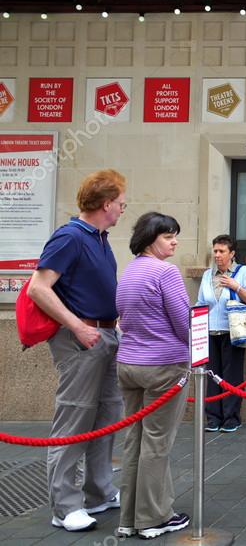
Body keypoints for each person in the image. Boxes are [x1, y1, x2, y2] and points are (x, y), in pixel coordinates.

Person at [29, 169, 126, 533]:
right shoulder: (70, 237)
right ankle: (65, 505)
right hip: (81, 340)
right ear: (105, 204)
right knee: (75, 419)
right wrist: (78, 326)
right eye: (120, 204)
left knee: (107, 415)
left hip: (103, 336)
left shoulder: (98, 237)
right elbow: (39, 288)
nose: (121, 210)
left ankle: (99, 491)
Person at [114, 212, 191, 539]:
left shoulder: (129, 271)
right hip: (163, 366)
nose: (174, 241)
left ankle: (128, 518)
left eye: (175, 235)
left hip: (128, 363)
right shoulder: (166, 272)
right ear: (150, 239)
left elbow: (123, 316)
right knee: (157, 442)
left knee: (135, 440)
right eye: (167, 236)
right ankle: (152, 518)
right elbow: (183, 322)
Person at [196, 234, 246, 433]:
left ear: (232, 254)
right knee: (212, 375)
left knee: (231, 377)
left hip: (233, 332)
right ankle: (213, 417)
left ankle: (232, 417)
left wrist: (236, 287)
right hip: (209, 331)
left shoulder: (243, 272)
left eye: (221, 251)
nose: (217, 255)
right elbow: (200, 303)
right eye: (215, 251)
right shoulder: (208, 275)